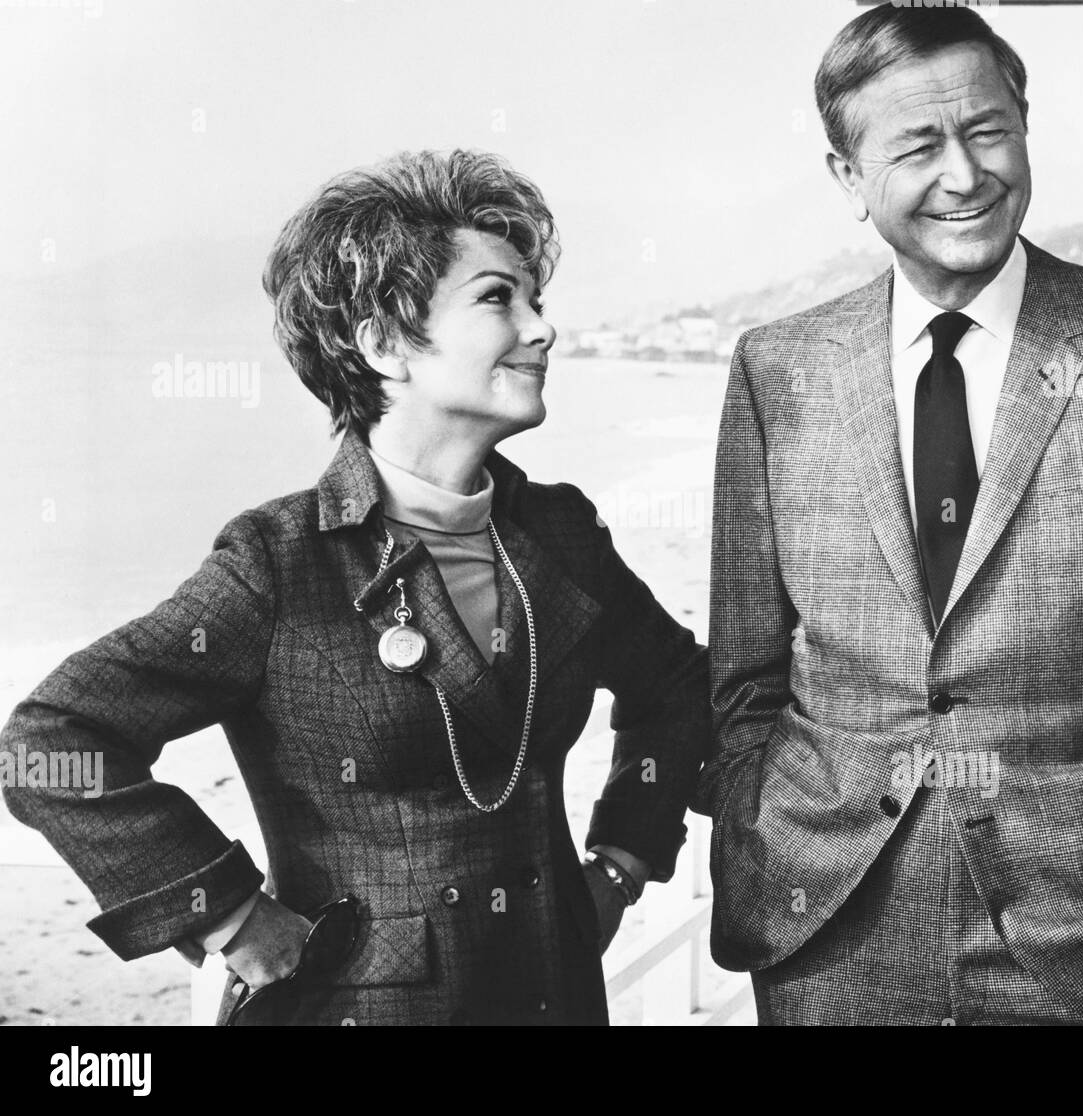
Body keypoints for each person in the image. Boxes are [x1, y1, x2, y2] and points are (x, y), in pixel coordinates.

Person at [0, 148, 709, 1026]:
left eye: (536, 300)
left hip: (554, 994)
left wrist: (620, 863)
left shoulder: (561, 535)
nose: (541, 328)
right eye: (497, 298)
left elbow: (677, 687)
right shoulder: (281, 562)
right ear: (382, 344)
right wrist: (225, 911)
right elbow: (47, 742)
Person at [699, 4, 1083, 1026]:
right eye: (918, 145)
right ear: (847, 176)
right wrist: (766, 850)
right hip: (833, 943)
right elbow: (744, 675)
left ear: (1024, 128)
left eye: (987, 131)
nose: (966, 174)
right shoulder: (777, 370)